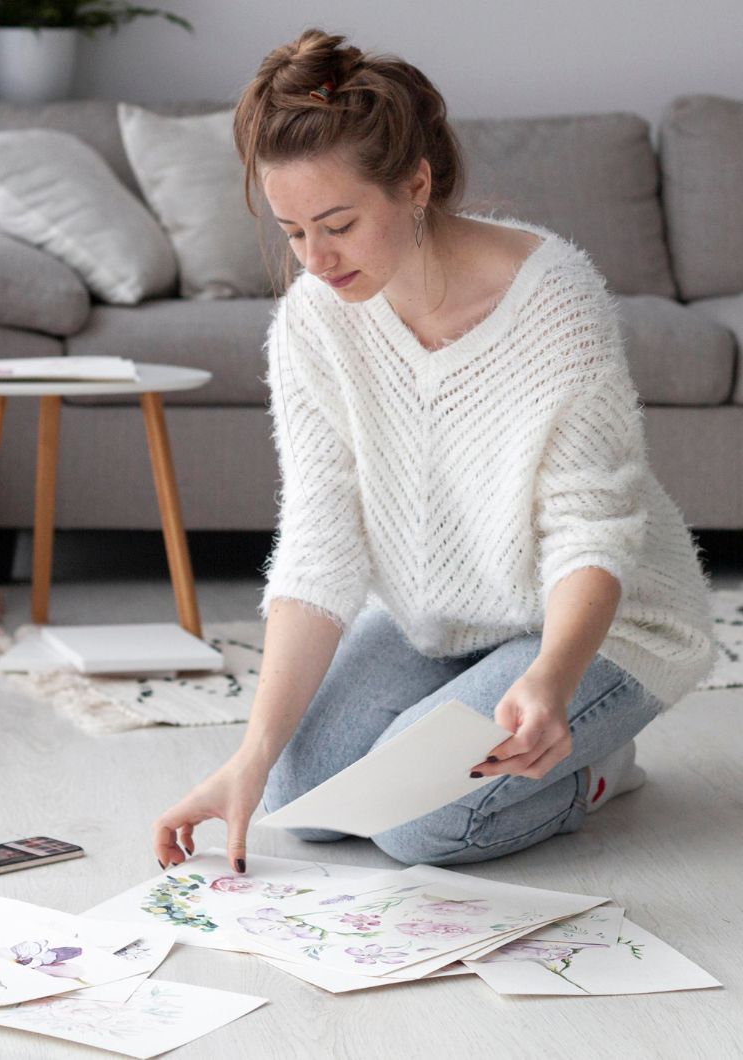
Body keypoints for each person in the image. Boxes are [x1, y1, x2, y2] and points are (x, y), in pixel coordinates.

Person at [152, 28, 718, 875]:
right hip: (440, 617)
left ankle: (596, 771)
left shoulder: (553, 299)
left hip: (600, 622)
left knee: (421, 830)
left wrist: (554, 678)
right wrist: (249, 753)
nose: (316, 259)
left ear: (415, 184)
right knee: (295, 796)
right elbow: (319, 545)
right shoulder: (312, 322)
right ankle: (473, 718)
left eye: (338, 224)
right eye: (293, 231)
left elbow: (590, 533)